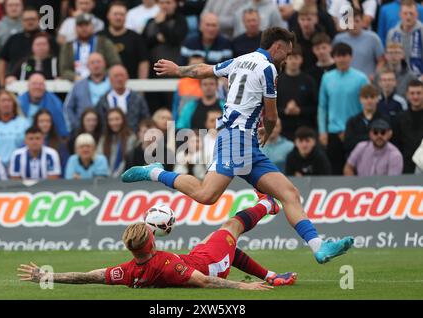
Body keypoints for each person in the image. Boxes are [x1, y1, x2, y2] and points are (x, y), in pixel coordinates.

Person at [122, 27, 354, 264]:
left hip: (246, 141)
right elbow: (272, 115)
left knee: (289, 194)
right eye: (288, 52)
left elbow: (205, 69)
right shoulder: (268, 68)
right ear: (277, 47)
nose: (288, 57)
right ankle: (154, 171)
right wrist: (269, 130)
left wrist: (177, 69)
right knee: (206, 194)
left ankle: (319, 247)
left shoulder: (240, 60)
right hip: (235, 138)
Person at [18, 195, 297, 289]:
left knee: (230, 249)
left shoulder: (128, 271)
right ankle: (269, 203)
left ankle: (273, 276)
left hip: (196, 255)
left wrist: (47, 276)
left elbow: (90, 276)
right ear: (151, 243)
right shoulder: (166, 263)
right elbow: (202, 281)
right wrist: (240, 286)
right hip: (210, 265)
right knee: (232, 226)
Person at [318, 42, 369, 174]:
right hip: (334, 132)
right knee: (335, 171)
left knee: (358, 169)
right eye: (338, 56)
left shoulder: (361, 78)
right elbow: (322, 107)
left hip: (356, 131)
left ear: (351, 57)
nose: (342, 59)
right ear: (334, 58)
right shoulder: (327, 78)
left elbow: (368, 105)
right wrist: (323, 131)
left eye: (345, 55)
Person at [59, 13, 121, 81]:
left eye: (87, 25)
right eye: (80, 26)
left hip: (102, 82)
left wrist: (101, 75)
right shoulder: (68, 47)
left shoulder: (104, 43)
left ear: (92, 27)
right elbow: (64, 70)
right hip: (76, 83)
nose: (84, 28)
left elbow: (116, 65)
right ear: (75, 28)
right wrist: (75, 77)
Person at [277, 45, 318, 140]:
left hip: (305, 130)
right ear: (285, 60)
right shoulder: (278, 81)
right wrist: (285, 110)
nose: (293, 61)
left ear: (301, 60)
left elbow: (315, 107)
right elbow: (270, 107)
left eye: (296, 58)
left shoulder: (309, 81)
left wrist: (300, 110)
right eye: (290, 58)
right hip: (282, 131)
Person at [101, 1, 150, 79]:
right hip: (103, 85)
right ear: (108, 15)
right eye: (115, 14)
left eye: (122, 14)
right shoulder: (99, 37)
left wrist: (142, 86)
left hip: (131, 84)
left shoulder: (136, 38)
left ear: (127, 16)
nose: (118, 17)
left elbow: (143, 62)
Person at [96, 65, 150, 133]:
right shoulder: (103, 101)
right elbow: (100, 123)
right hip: (109, 140)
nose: (119, 79)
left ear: (127, 77)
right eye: (116, 76)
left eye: (122, 75)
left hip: (134, 138)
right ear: (109, 79)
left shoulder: (138, 99)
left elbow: (145, 120)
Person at [332, 8, 385, 80]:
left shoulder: (373, 38)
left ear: (362, 22)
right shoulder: (338, 39)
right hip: (344, 80)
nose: (354, 24)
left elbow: (381, 60)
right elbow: (333, 60)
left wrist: (375, 75)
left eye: (357, 21)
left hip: (367, 81)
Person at [63, 53, 110, 132]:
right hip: (82, 131)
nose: (96, 65)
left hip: (107, 132)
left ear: (104, 63)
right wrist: (76, 126)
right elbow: (68, 108)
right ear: (87, 66)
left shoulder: (111, 84)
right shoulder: (78, 85)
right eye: (92, 62)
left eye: (98, 62)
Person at [0, 89, 29, 167]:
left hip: (18, 167)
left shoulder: (24, 123)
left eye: (9, 100)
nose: (6, 104)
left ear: (14, 104)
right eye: (3, 101)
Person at [0, 6, 41, 87]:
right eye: (27, 19)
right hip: (14, 82)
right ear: (22, 21)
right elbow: (2, 62)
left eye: (33, 19)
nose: (30, 22)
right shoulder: (13, 39)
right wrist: (2, 85)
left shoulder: (47, 39)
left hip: (42, 83)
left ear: (38, 20)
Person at [18, 73, 69, 138]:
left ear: (45, 86)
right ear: (28, 86)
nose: (37, 87)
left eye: (40, 84)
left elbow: (61, 126)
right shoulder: (18, 102)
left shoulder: (55, 103)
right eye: (34, 84)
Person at [344, 84, 390, 156]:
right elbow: (348, 144)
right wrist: (373, 138)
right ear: (360, 99)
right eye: (365, 97)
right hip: (358, 160)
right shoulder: (352, 121)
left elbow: (387, 141)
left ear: (377, 98)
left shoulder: (385, 120)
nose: (369, 101)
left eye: (372, 97)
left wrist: (360, 138)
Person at [387, 0, 423, 77]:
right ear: (400, 14)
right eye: (405, 13)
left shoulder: (421, 31)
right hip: (398, 78)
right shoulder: (392, 33)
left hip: (419, 79)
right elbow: (389, 58)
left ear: (417, 14)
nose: (408, 16)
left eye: (411, 13)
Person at [97, 108, 137, 177]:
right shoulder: (104, 138)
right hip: (104, 177)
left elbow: (127, 159)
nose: (114, 123)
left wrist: (116, 175)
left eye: (117, 119)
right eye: (111, 120)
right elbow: (99, 157)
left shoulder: (130, 137)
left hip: (123, 176)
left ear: (123, 120)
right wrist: (106, 173)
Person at [395, 79, 423, 173]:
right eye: (412, 93)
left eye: (419, 93)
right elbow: (396, 144)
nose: (415, 97)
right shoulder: (399, 118)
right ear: (407, 95)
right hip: (405, 167)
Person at [33, 109, 70, 174]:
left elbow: (65, 165)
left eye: (48, 121)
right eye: (41, 121)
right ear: (36, 123)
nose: (45, 124)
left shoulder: (60, 142)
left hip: (54, 181)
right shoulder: (28, 141)